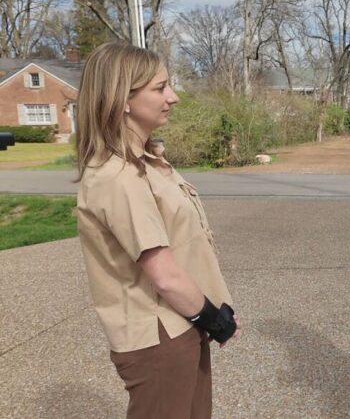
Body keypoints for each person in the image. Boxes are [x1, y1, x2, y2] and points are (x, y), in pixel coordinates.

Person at [75, 41, 240, 419]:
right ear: (123, 99)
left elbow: (185, 247)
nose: (174, 97)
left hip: (181, 324)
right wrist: (218, 321)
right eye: (160, 87)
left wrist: (213, 309)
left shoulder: (146, 163)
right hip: (157, 336)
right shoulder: (117, 176)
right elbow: (163, 275)